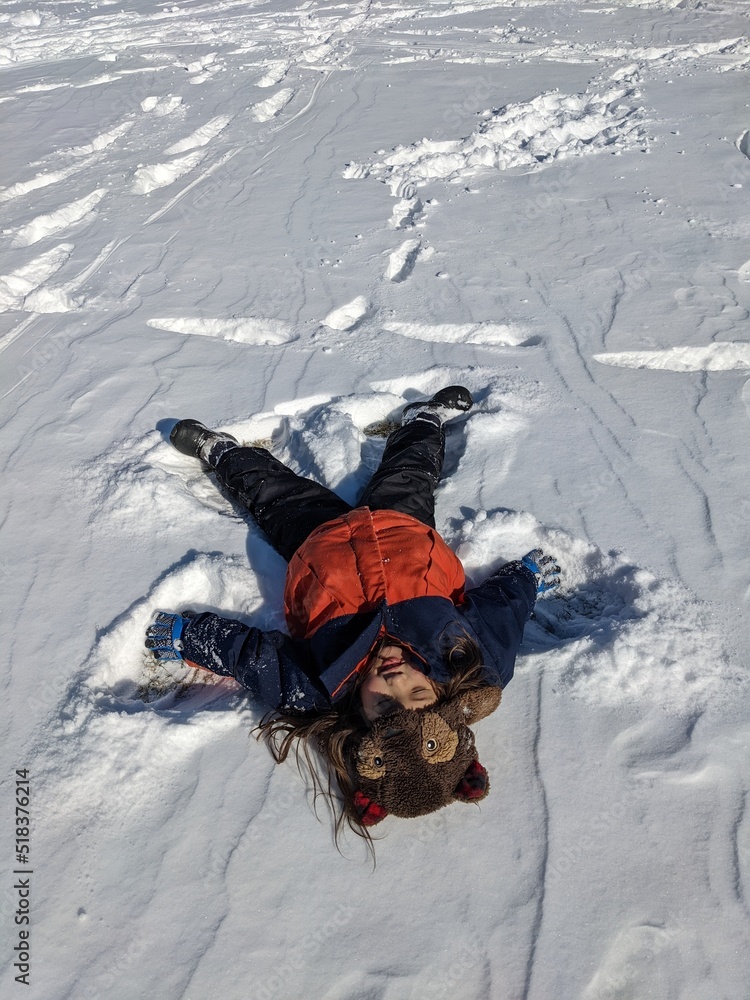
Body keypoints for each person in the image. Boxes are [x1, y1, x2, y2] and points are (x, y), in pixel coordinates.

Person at [145, 387, 560, 842]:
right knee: (411, 472)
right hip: (404, 529)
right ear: (440, 698)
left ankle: (220, 450)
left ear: (359, 720)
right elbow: (503, 614)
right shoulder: (470, 660)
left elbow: (254, 659)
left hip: (317, 542)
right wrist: (526, 578)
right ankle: (425, 420)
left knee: (269, 491)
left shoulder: (322, 685)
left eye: (383, 701)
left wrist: (191, 638)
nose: (397, 677)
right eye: (418, 691)